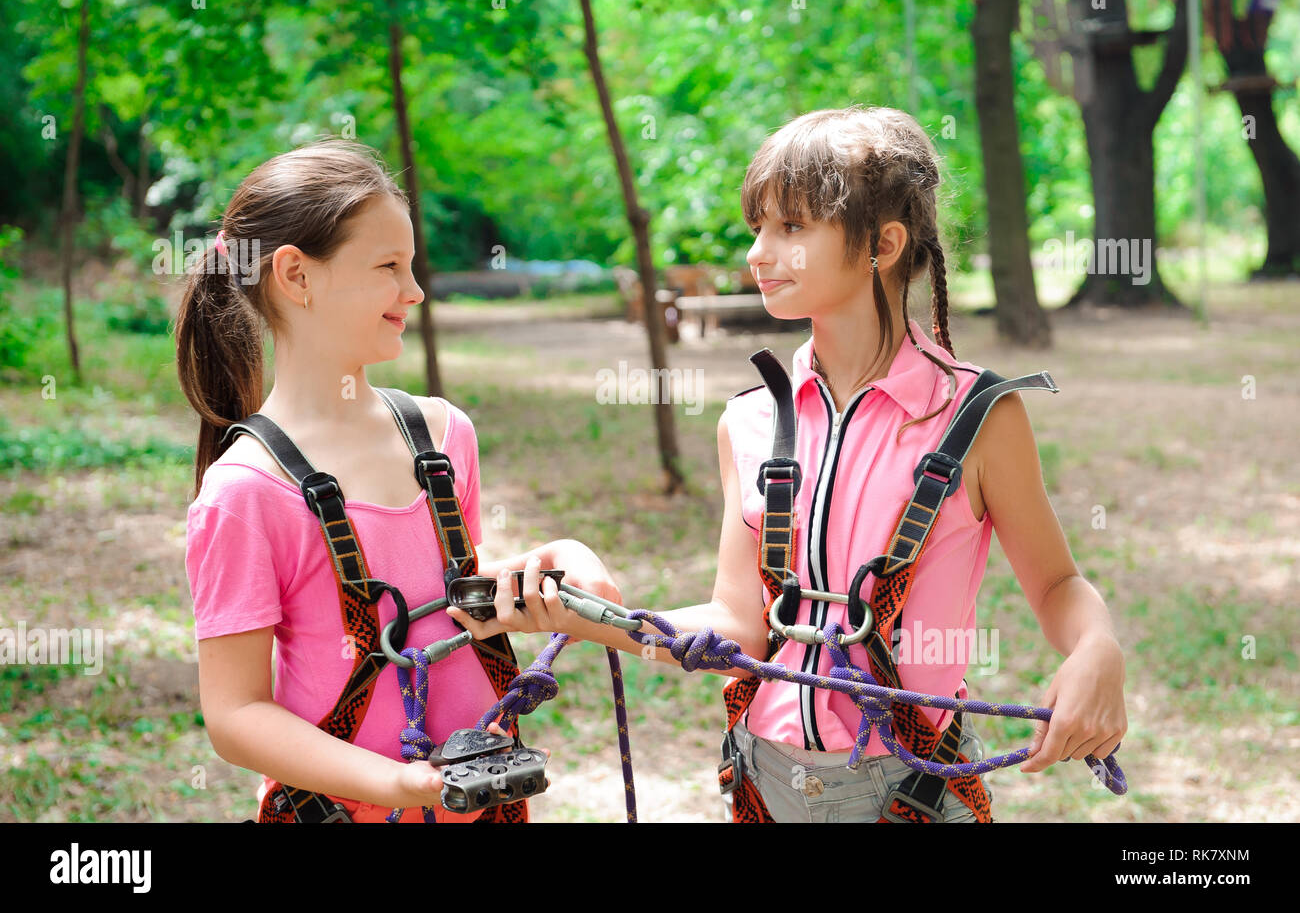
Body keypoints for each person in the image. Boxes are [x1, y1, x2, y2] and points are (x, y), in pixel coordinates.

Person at [450, 106, 1128, 823]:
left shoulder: (978, 416)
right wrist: (585, 618)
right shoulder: (749, 420)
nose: (759, 253)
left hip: (910, 791)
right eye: (758, 228)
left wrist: (1097, 645)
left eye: (793, 228)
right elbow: (738, 625)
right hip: (763, 784)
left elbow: (1057, 584)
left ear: (884, 243)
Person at [176, 138, 619, 823]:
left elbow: (445, 601)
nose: (414, 290)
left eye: (411, 266)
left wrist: (558, 562)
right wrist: (399, 784)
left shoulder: (443, 438)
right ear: (297, 276)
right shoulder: (244, 492)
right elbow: (235, 714)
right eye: (388, 266)